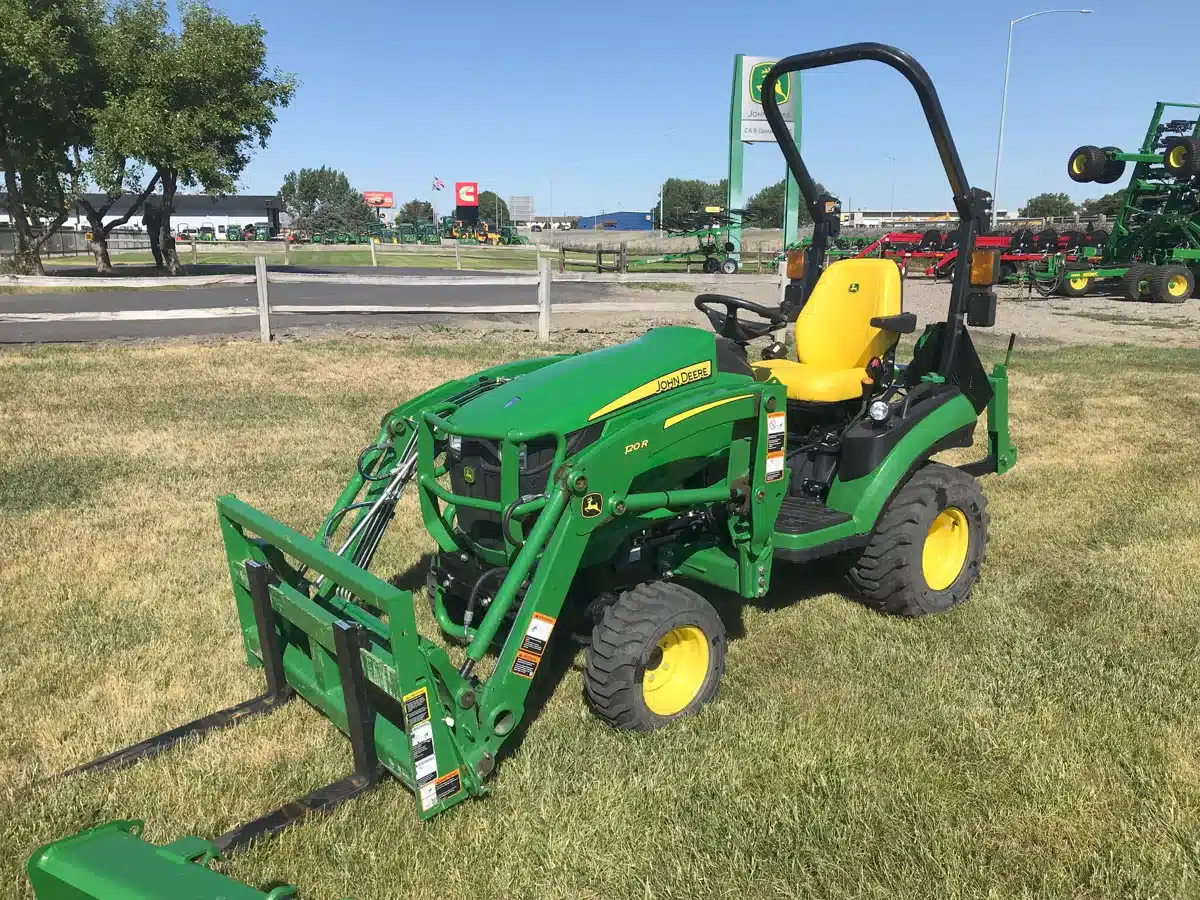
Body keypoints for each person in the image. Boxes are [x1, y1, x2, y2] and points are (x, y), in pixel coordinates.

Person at [142, 197, 164, 268]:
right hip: (153, 234)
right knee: (155, 249)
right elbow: (143, 223)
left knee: (156, 249)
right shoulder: (150, 214)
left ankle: (160, 263)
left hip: (155, 233)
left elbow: (143, 223)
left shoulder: (152, 214)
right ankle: (159, 263)